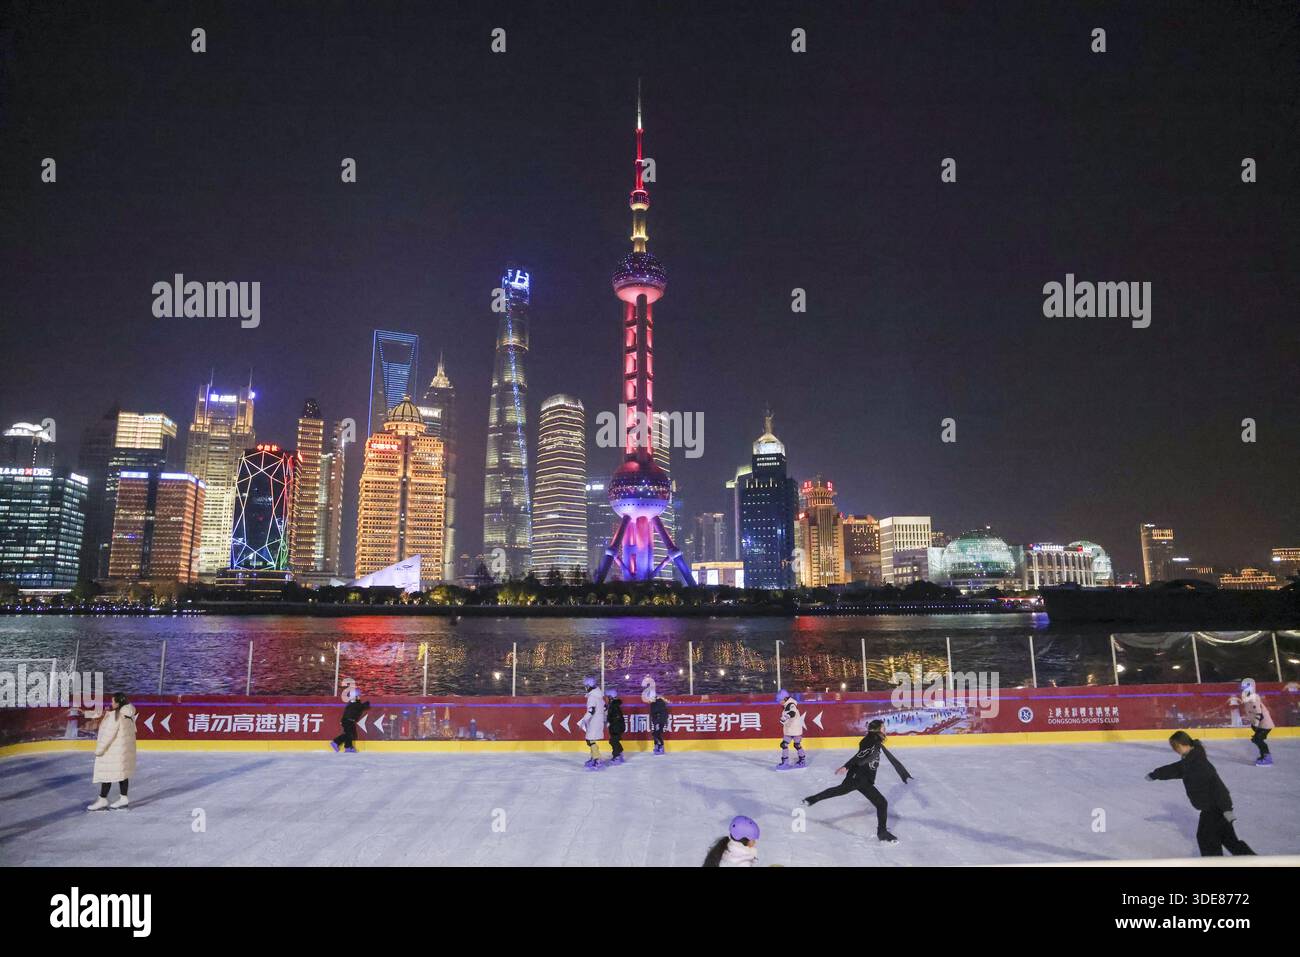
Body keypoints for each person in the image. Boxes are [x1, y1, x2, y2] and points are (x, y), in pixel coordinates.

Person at [801, 718, 912, 843]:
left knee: (840, 790)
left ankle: (812, 799)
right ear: (877, 730)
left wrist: (848, 766)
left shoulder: (870, 740)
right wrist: (848, 766)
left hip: (860, 776)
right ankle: (882, 833)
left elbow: (861, 755)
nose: (885, 729)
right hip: (860, 777)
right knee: (881, 803)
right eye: (883, 727)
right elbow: (861, 756)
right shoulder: (872, 742)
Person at [1147, 730, 1255, 856]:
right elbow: (1175, 769)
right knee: (1229, 840)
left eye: (1176, 747)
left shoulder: (1198, 763)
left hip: (1215, 809)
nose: (1175, 750)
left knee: (1206, 839)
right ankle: (1256, 862)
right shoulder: (1190, 760)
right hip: (1214, 809)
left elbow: (1218, 788)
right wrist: (1156, 774)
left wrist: (1227, 809)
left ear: (1183, 744)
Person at [87, 692, 137, 810]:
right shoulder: (128, 714)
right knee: (122, 774)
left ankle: (102, 799)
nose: (111, 703)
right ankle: (123, 798)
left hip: (114, 750)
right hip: (123, 750)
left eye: (113, 701)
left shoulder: (117, 716)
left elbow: (108, 735)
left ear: (118, 703)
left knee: (106, 774)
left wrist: (99, 750)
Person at [1237, 678, 1274, 766]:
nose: (1242, 690)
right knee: (1257, 740)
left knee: (1258, 739)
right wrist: (1254, 723)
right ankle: (1263, 756)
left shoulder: (1253, 698)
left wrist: (1255, 724)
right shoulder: (1248, 697)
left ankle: (1267, 759)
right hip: (1260, 723)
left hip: (1264, 724)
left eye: (1244, 688)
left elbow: (1258, 711)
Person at [578, 677, 606, 769]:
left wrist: (584, 720)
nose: (585, 688)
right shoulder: (599, 696)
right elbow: (605, 708)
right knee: (590, 740)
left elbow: (591, 710)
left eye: (586, 686)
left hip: (594, 721)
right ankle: (594, 757)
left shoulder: (592, 697)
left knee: (590, 740)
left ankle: (597, 759)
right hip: (597, 721)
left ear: (589, 686)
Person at [331, 688, 370, 752]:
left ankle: (347, 747)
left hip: (349, 721)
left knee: (351, 735)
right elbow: (361, 707)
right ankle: (337, 743)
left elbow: (359, 706)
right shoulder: (353, 704)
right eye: (358, 696)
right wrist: (367, 703)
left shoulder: (354, 703)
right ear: (354, 697)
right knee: (349, 734)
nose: (359, 697)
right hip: (347, 721)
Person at [776, 689, 807, 769]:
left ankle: (802, 761)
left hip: (794, 730)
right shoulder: (786, 705)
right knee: (785, 744)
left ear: (785, 698)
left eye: (780, 700)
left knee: (796, 745)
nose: (779, 702)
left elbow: (792, 712)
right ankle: (785, 762)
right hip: (790, 729)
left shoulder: (791, 704)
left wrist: (786, 717)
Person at [643, 675, 669, 754]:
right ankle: (657, 746)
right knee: (656, 733)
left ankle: (660, 746)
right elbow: (654, 712)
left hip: (659, 720)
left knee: (656, 733)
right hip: (657, 721)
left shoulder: (658, 703)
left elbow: (659, 712)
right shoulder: (654, 703)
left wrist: (657, 720)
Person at [606, 688, 626, 764]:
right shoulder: (612, 705)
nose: (606, 698)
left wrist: (610, 722)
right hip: (616, 726)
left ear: (611, 698)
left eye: (607, 697)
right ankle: (620, 753)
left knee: (613, 741)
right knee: (614, 741)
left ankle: (617, 756)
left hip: (617, 727)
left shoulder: (614, 706)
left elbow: (616, 717)